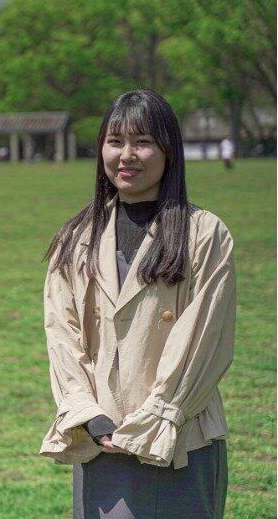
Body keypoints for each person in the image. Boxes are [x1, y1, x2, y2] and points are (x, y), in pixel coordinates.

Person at [40, 89, 235, 518]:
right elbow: (62, 337)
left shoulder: (205, 234)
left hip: (181, 436)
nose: (127, 155)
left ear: (169, 150)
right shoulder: (74, 239)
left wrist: (158, 415)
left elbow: (204, 339)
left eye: (142, 142)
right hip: (102, 442)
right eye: (115, 142)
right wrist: (88, 415)